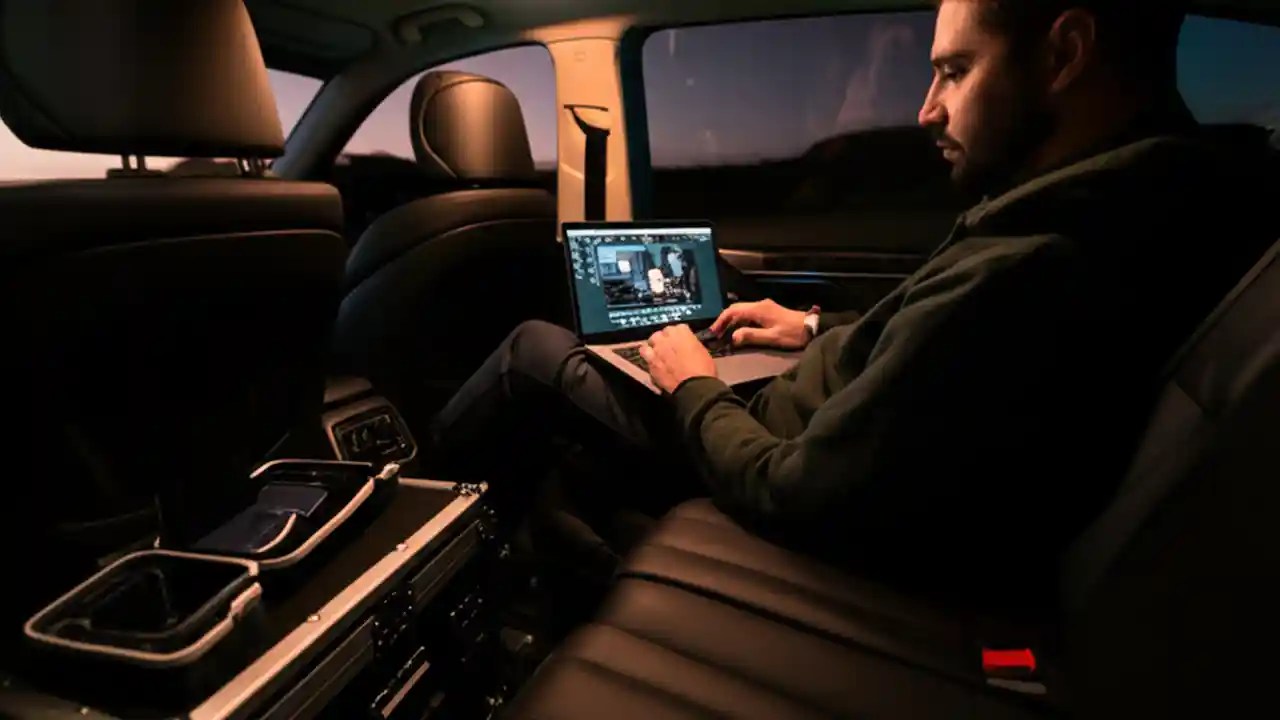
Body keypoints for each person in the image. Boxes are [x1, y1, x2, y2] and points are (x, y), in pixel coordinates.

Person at [425, 0, 1278, 601]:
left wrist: (693, 383)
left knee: (535, 350)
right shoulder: (1126, 205)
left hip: (781, 451)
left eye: (954, 70)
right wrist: (808, 327)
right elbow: (928, 343)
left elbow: (792, 487)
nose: (925, 107)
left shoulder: (1044, 261)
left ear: (1064, 54)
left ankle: (408, 524)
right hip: (811, 411)